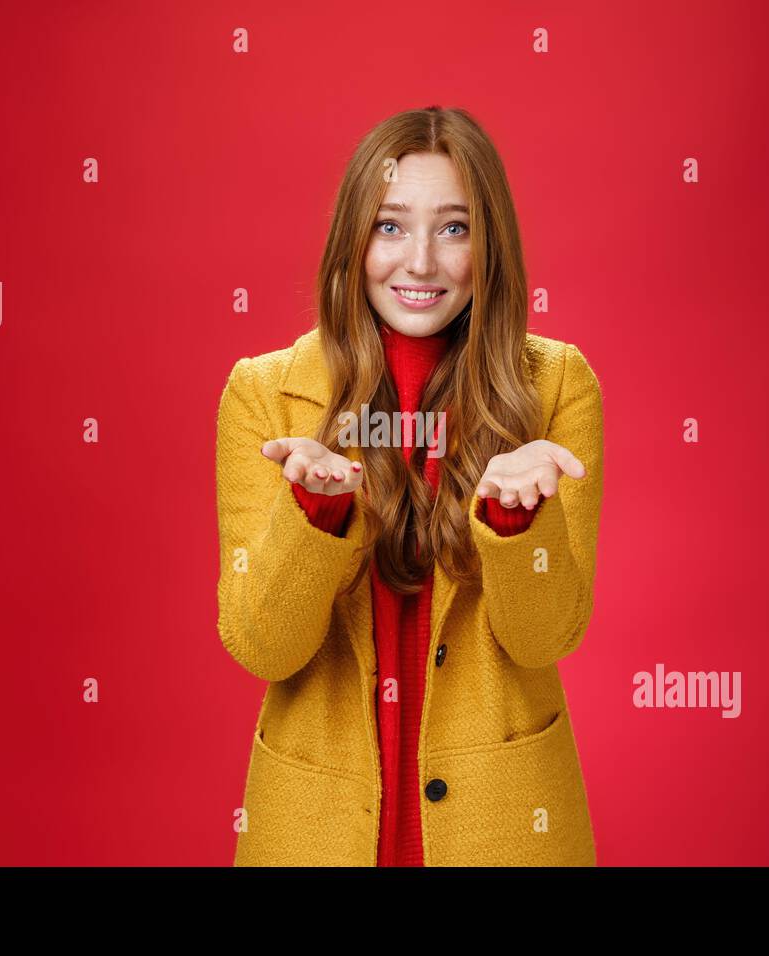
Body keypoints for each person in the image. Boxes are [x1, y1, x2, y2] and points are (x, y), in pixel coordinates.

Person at [215, 105, 603, 866]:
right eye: (390, 227)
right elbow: (263, 647)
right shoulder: (262, 394)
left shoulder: (557, 387)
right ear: (352, 241)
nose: (420, 261)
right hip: (315, 833)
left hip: (506, 830)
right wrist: (314, 513)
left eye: (454, 228)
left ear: (490, 246)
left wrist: (518, 520)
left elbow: (546, 636)